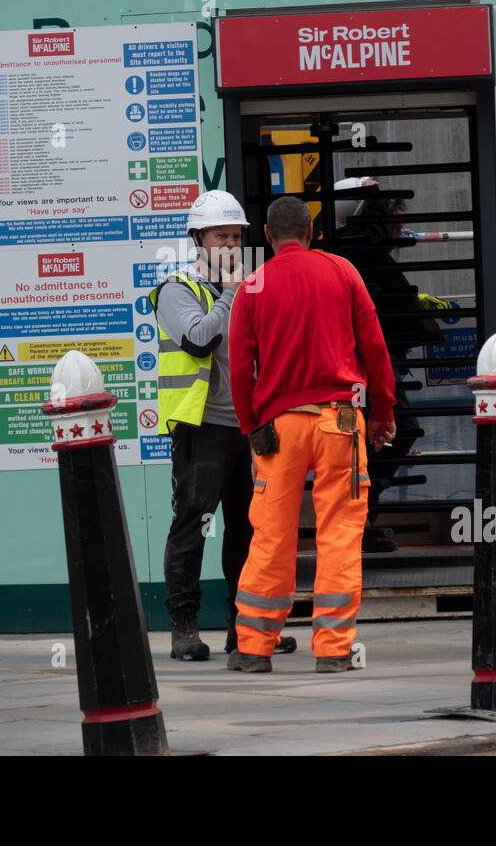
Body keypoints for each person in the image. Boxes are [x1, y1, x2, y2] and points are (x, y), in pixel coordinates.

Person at [226, 195, 396, 673]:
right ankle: (333, 649)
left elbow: (240, 368)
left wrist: (250, 426)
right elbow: (375, 347)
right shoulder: (343, 272)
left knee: (271, 533)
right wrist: (382, 413)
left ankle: (255, 648)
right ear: (311, 231)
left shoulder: (253, 287)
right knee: (339, 531)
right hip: (340, 421)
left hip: (279, 428)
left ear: (266, 233)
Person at [152, 189, 298, 660]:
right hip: (203, 429)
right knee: (192, 524)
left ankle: (246, 630)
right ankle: (185, 628)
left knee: (248, 528)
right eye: (222, 236)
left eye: (237, 237)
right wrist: (232, 294)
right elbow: (197, 340)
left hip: (249, 427)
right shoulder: (177, 289)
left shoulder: (252, 285)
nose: (231, 245)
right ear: (199, 238)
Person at [332, 177, 445, 552]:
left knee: (361, 445)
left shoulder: (347, 254)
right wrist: (425, 319)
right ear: (372, 217)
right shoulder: (367, 256)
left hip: (353, 371)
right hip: (365, 373)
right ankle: (359, 519)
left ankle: (358, 520)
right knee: (389, 435)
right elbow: (402, 310)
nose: (402, 229)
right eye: (395, 220)